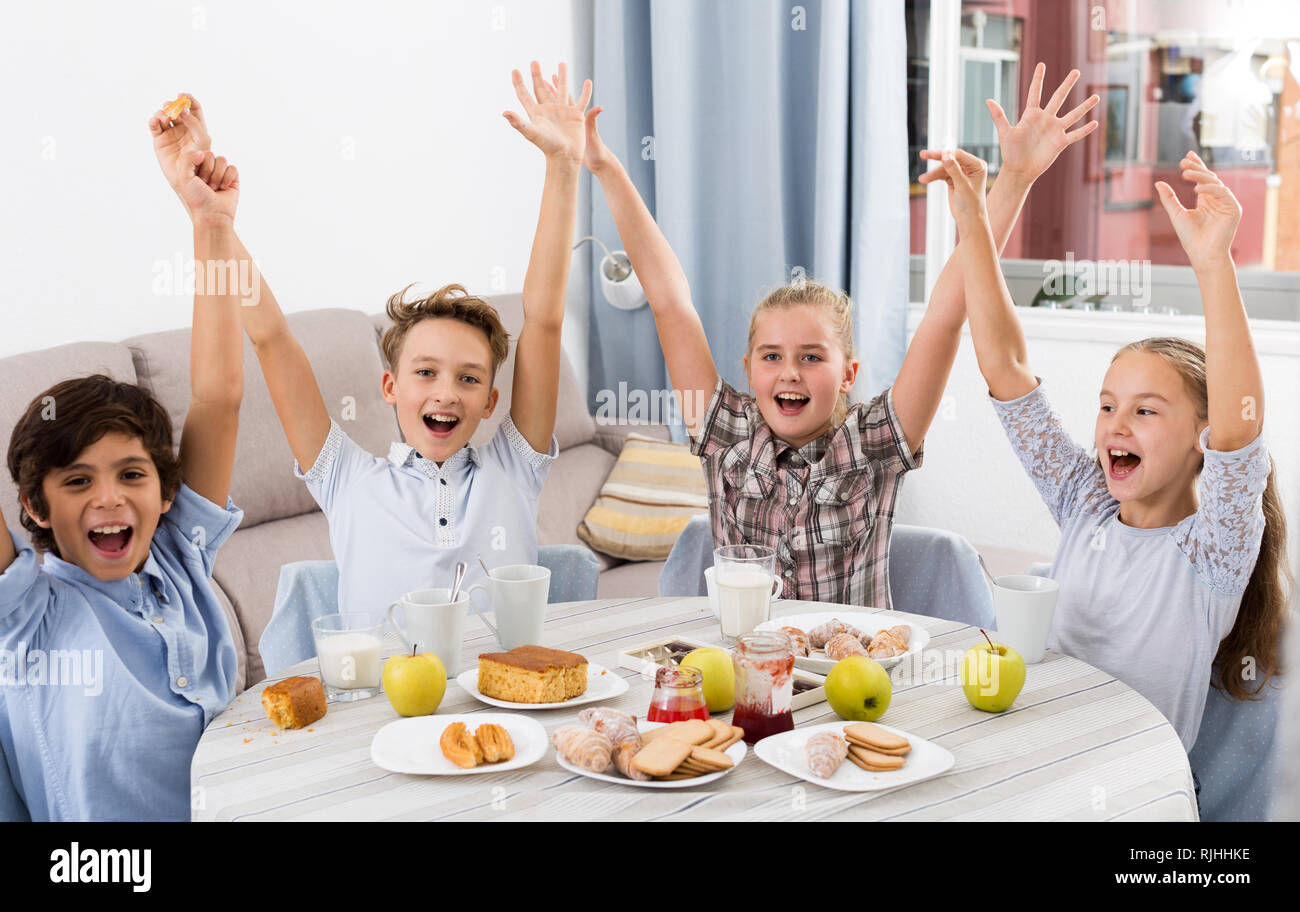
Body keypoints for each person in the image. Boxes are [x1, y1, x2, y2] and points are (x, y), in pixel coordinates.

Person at [585, 63, 1097, 607]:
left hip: (850, 677)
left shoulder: (874, 441)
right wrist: (607, 168)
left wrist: (1013, 180)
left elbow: (947, 315)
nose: (789, 371)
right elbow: (669, 301)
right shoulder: (725, 431)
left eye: (811, 356)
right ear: (748, 368)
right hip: (742, 671)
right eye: (772, 356)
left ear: (848, 373)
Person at [147, 64, 591, 621]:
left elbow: (543, 319)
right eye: (425, 372)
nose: (447, 393)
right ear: (389, 386)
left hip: (503, 698)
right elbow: (272, 341)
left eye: (469, 378)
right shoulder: (346, 477)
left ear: (491, 402)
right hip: (388, 704)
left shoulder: (514, 467)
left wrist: (563, 164)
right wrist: (212, 219)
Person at [931, 143, 1287, 751]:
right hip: (1039, 760)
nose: (1116, 424)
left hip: (1134, 794)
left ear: (1202, 440)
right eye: (1107, 405)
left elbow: (1239, 429)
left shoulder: (1213, 553)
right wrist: (973, 225)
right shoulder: (1083, 500)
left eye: (1145, 410)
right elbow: (1007, 367)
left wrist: (1213, 266)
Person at [0, 129, 247, 820]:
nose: (109, 498)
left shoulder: (180, 556)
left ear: (164, 493)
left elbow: (220, 395)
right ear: (36, 507)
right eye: (76, 482)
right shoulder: (25, 614)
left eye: (131, 475)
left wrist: (211, 225)